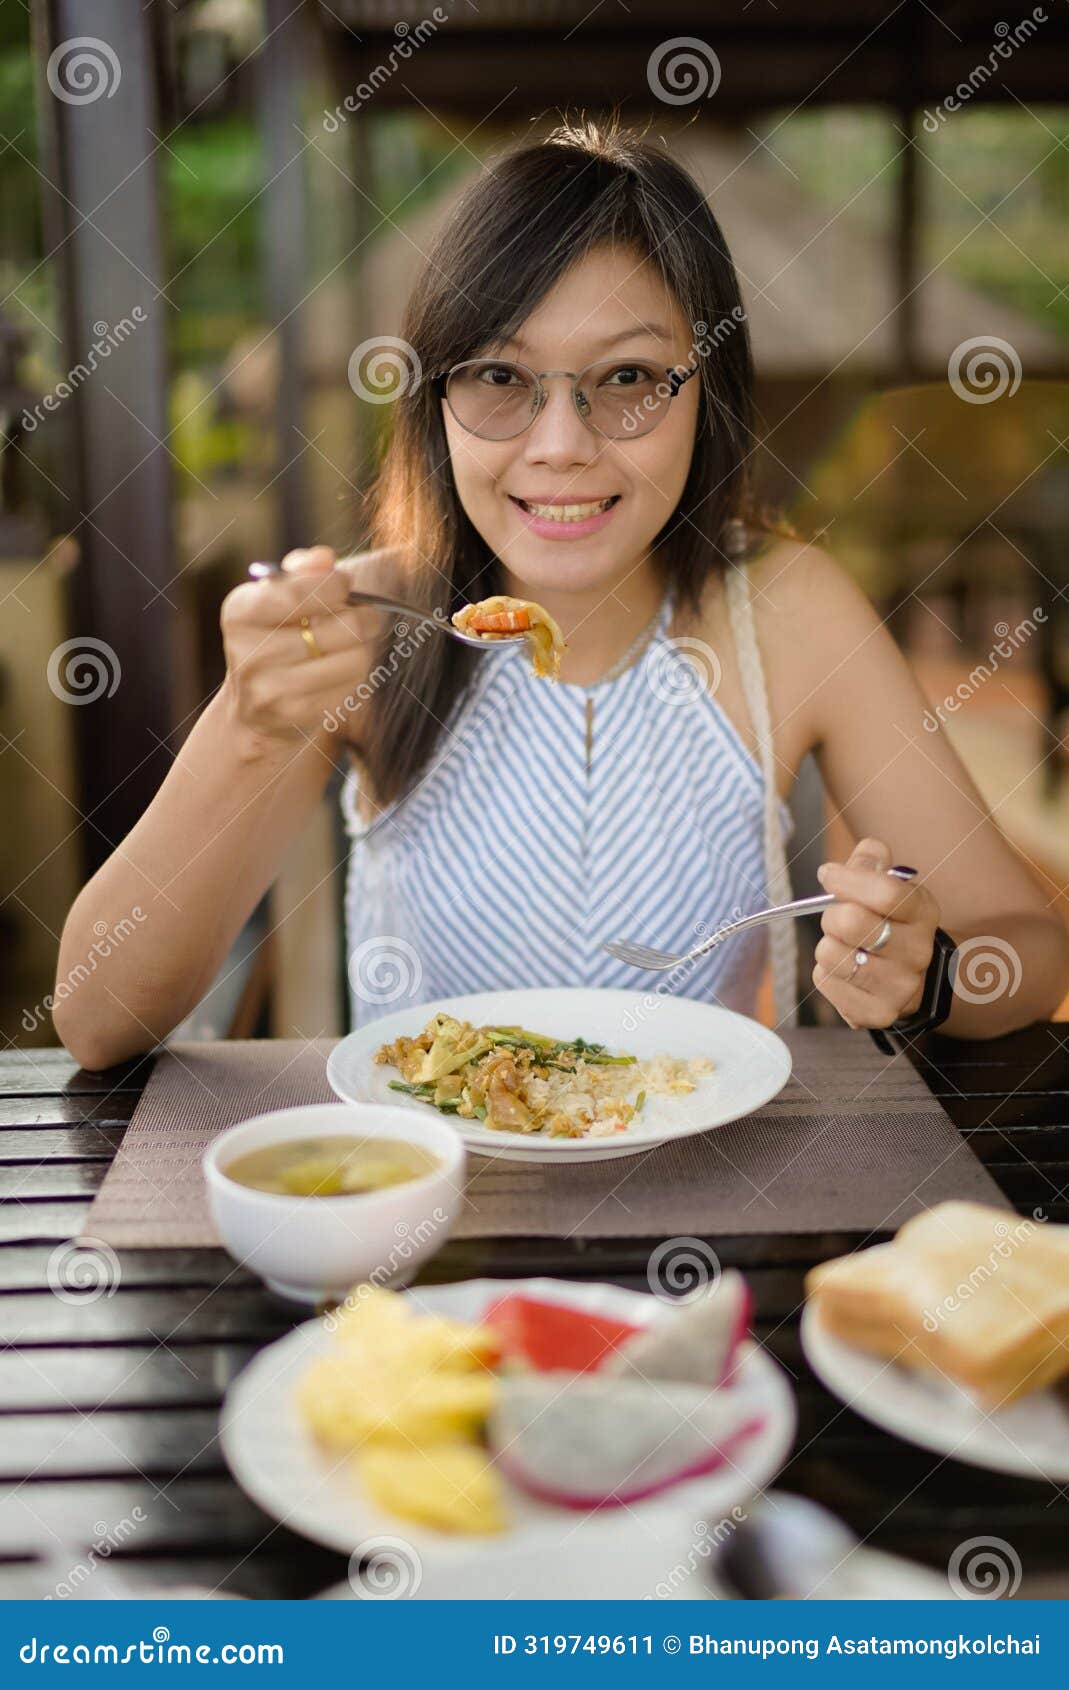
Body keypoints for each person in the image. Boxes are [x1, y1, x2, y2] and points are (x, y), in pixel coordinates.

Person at [53, 116, 1069, 1070]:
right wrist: (247, 725)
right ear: (433, 405)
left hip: (701, 1219)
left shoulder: (786, 611)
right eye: (499, 376)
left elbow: (1026, 945)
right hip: (428, 1225)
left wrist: (927, 971)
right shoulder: (357, 631)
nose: (560, 448)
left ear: (704, 393)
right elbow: (97, 1017)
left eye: (627, 378)